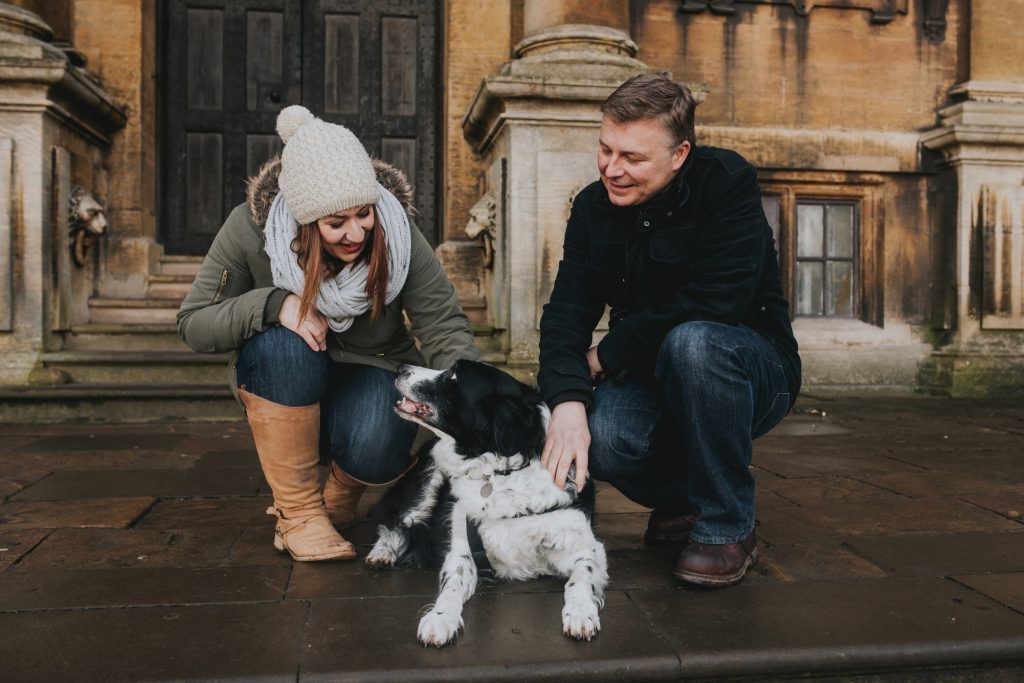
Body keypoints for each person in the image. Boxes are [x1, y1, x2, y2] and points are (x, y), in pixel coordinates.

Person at [178, 106, 480, 562]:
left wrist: (476, 400)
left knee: (382, 438)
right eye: (336, 223)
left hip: (371, 372)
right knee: (281, 345)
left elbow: (441, 323)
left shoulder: (397, 231)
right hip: (287, 380)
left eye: (363, 214)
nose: (356, 232)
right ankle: (298, 512)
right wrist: (276, 304)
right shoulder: (249, 230)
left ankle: (341, 491)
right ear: (303, 222)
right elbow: (194, 323)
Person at [537, 73, 801, 587]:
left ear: (679, 154)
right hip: (650, 374)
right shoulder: (592, 207)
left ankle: (728, 526)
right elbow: (567, 310)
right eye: (605, 149)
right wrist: (567, 401)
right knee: (604, 436)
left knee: (694, 342)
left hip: (751, 368)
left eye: (632, 158)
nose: (612, 169)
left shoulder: (726, 182)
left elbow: (716, 301)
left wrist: (607, 354)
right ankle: (685, 501)